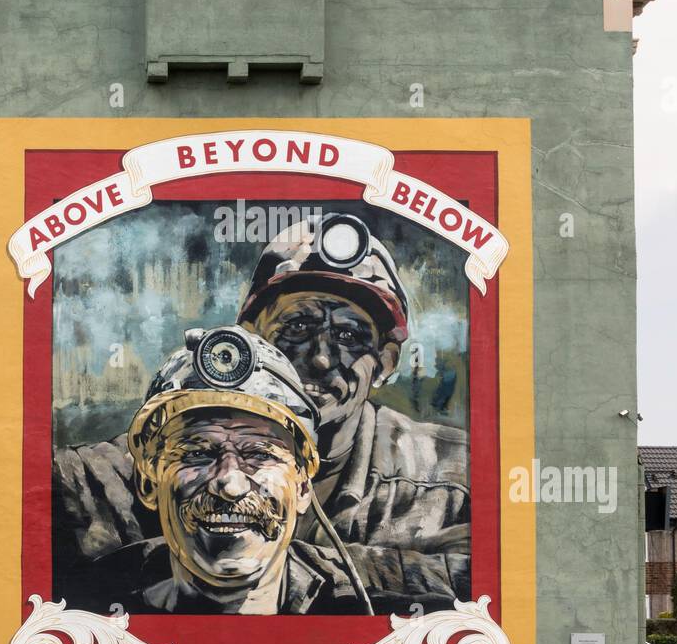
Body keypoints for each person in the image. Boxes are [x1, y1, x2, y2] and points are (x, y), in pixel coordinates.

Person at [237, 212, 470, 600]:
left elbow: (488, 581)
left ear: (385, 364)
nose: (322, 360)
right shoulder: (177, 454)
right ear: (250, 341)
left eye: (348, 335)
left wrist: (281, 570)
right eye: (296, 327)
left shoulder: (453, 476)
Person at [57, 328, 371, 615]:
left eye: (259, 454)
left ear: (303, 487)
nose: (230, 484)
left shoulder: (356, 609)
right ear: (149, 482)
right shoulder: (80, 609)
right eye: (197, 454)